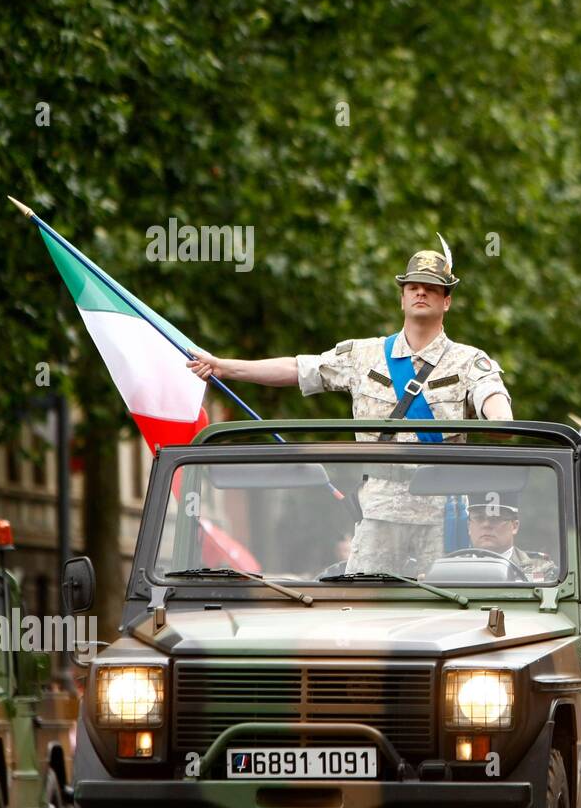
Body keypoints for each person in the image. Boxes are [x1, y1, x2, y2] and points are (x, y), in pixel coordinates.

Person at [187, 240, 513, 574]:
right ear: (402, 298)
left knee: (448, 607)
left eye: (431, 288)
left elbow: (491, 396)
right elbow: (297, 369)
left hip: (443, 514)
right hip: (378, 513)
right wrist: (224, 367)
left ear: (447, 300)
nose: (420, 293)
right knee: (362, 603)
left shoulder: (469, 360)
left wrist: (499, 419)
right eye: (413, 287)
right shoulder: (363, 355)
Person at [459, 492, 557, 583]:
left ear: (514, 526)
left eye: (495, 518)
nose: (486, 524)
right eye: (479, 518)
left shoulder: (541, 569)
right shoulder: (454, 567)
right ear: (469, 526)